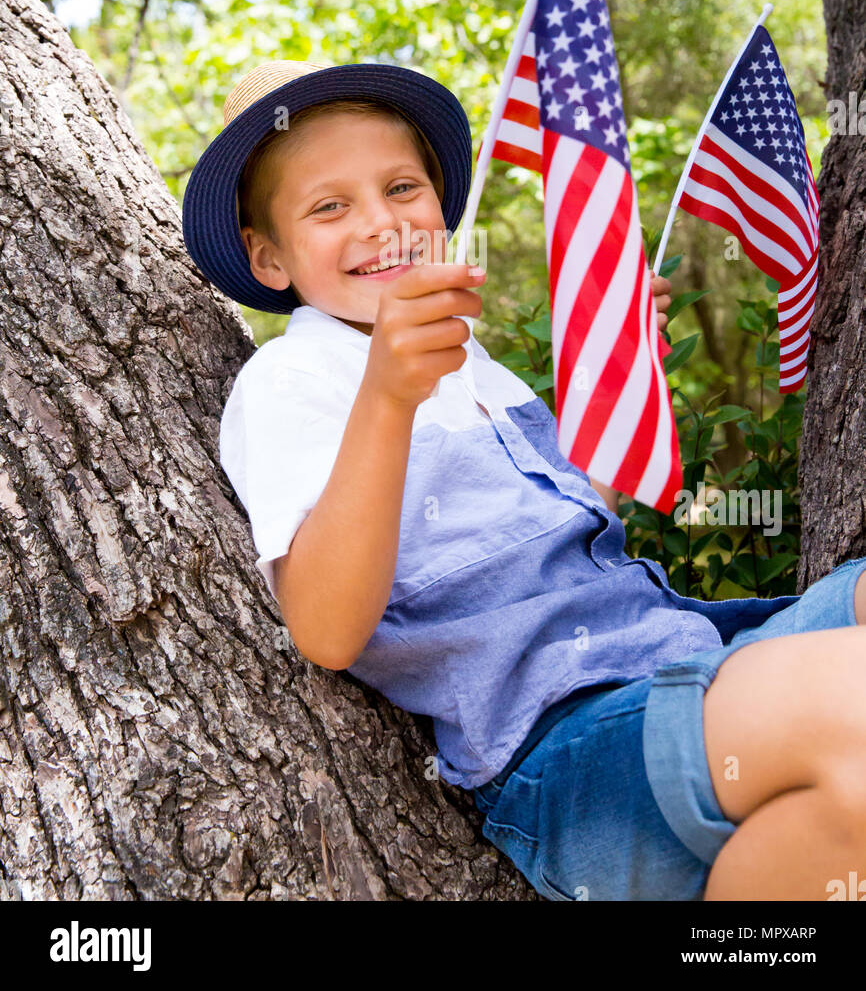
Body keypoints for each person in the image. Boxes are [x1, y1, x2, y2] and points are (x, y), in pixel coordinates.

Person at [182, 57, 866, 902]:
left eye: (402, 188)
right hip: (571, 748)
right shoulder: (290, 381)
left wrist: (619, 376)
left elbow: (583, 533)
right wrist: (387, 401)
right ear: (269, 257)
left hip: (678, 651)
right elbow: (325, 629)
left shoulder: (478, 368)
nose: (380, 223)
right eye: (329, 206)